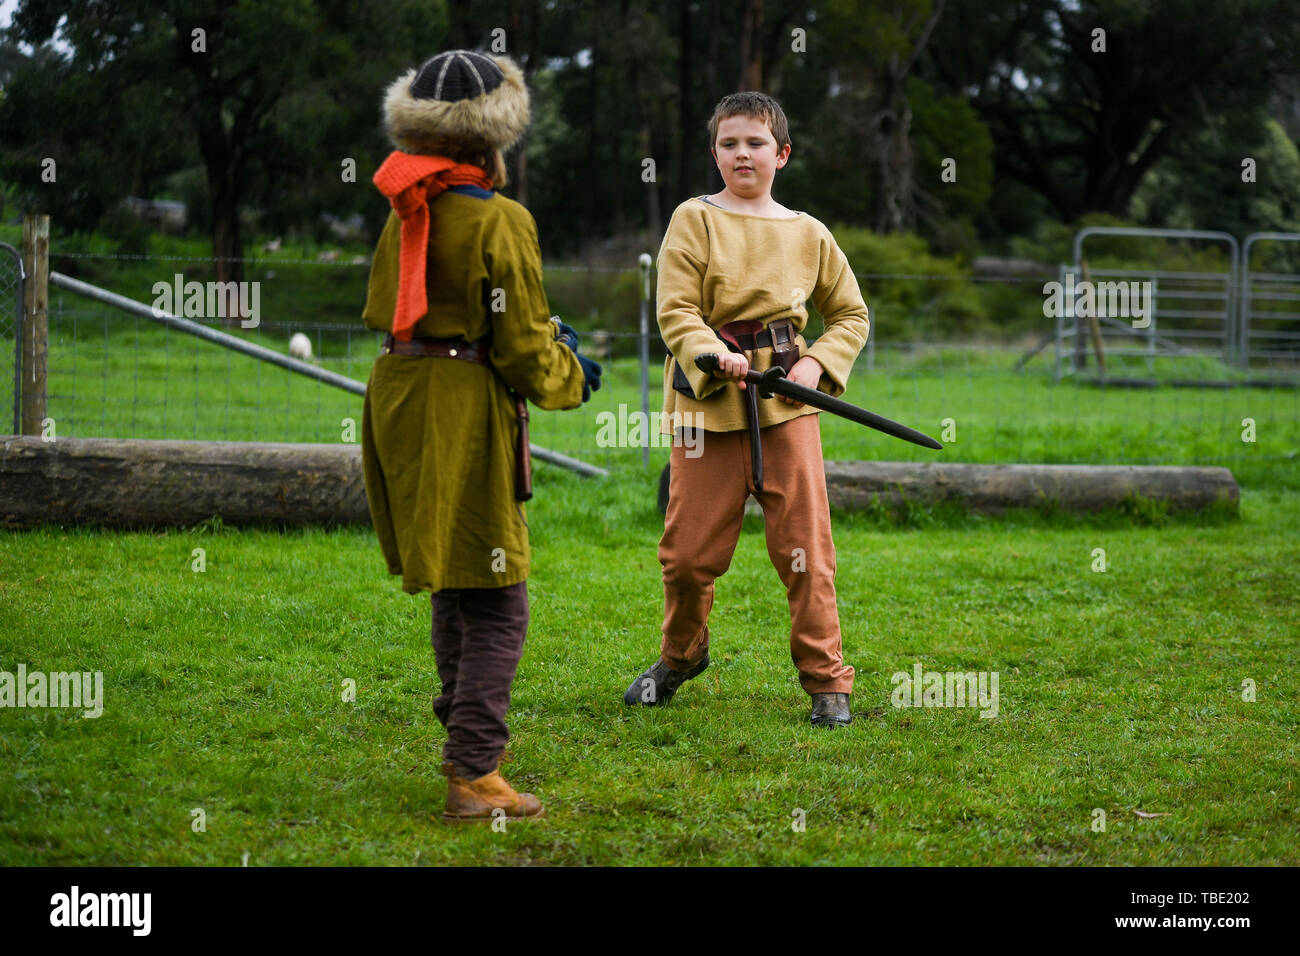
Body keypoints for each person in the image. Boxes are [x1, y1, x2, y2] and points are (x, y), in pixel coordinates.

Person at [361, 50, 601, 821]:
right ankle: (472, 770)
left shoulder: (403, 209)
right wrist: (573, 373)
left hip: (400, 397)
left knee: (460, 577)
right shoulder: (501, 217)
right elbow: (526, 351)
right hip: (460, 407)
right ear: (494, 139)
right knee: (499, 598)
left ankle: (462, 738)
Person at [623, 91, 870, 728]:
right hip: (709, 408)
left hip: (789, 405)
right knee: (686, 557)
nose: (743, 154)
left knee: (806, 551)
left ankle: (826, 682)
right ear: (715, 153)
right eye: (730, 143)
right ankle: (681, 656)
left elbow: (850, 315)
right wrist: (711, 353)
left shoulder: (809, 232)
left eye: (756, 143)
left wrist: (815, 365)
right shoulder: (693, 219)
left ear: (781, 154)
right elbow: (676, 309)